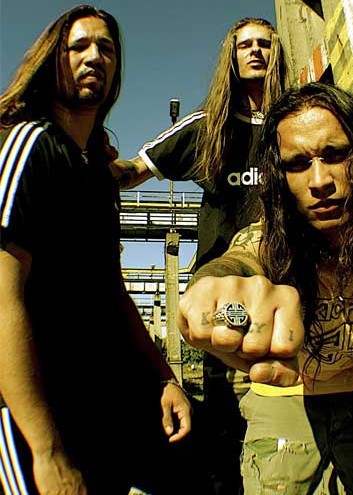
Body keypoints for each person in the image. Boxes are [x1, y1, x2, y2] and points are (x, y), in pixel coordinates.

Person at [177, 82, 353, 494]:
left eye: (335, 155)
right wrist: (211, 288)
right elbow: (239, 260)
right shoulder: (271, 237)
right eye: (298, 164)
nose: (320, 180)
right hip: (287, 393)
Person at [0, 5, 205, 494]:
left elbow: (112, 294)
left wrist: (165, 378)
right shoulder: (31, 146)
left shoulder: (96, 176)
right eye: (79, 46)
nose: (94, 57)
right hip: (36, 417)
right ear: (53, 60)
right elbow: (2, 298)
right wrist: (46, 450)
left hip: (100, 410)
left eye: (106, 48)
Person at [111, 17, 288, 494]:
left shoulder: (295, 122)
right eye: (245, 45)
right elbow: (133, 172)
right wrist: (80, 163)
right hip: (222, 305)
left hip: (285, 296)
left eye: (264, 44)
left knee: (287, 427)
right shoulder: (208, 126)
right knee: (227, 429)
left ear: (278, 54)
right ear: (231, 57)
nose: (255, 51)